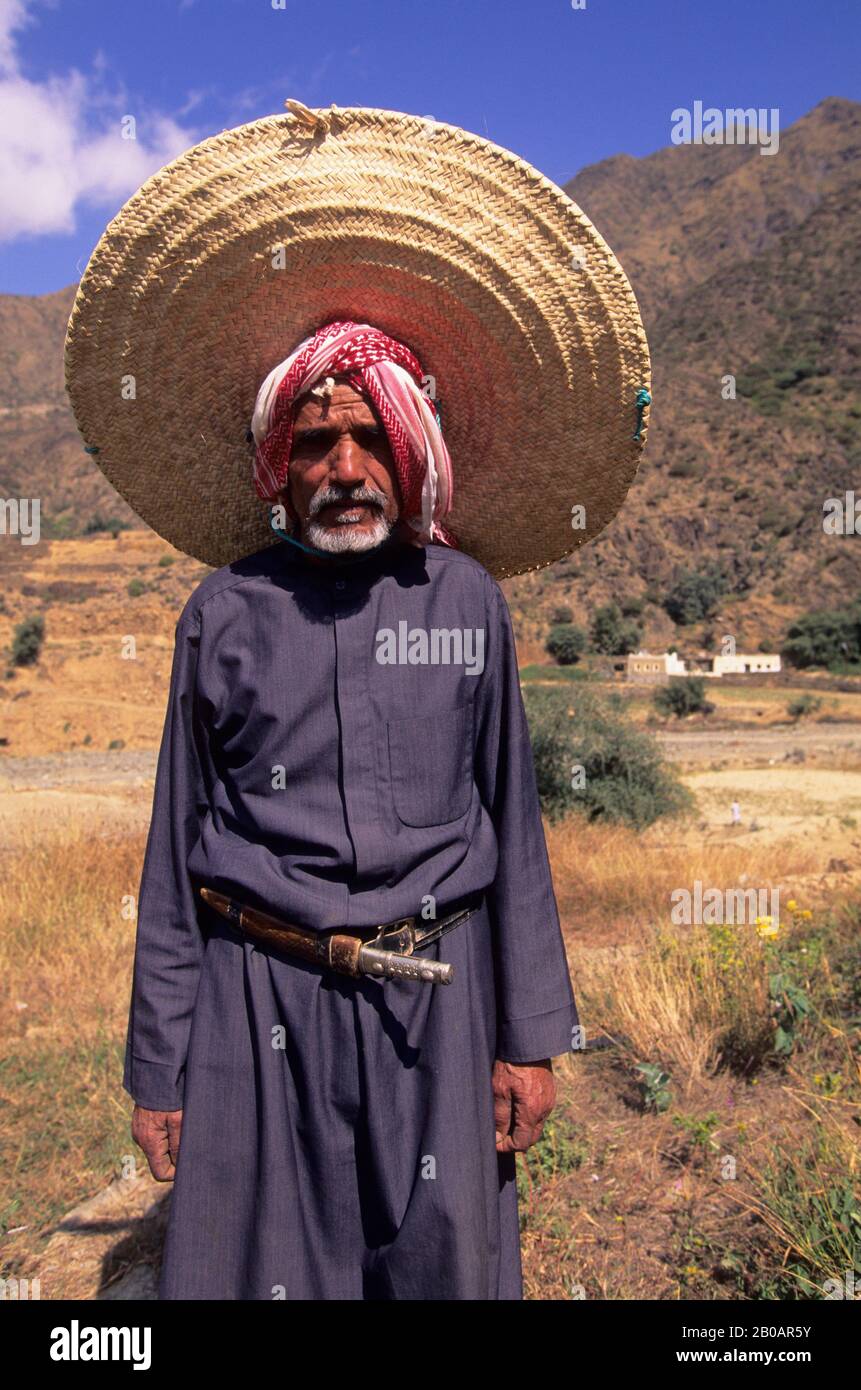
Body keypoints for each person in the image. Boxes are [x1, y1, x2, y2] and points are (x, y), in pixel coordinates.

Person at [64, 100, 650, 1300]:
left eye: (369, 436)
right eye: (316, 440)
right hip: (252, 1008)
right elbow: (177, 859)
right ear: (280, 462)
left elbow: (516, 834)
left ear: (414, 447)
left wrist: (530, 1038)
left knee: (441, 1271)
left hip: (441, 1004)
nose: (342, 468)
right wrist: (159, 1064)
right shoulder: (223, 613)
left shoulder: (467, 601)